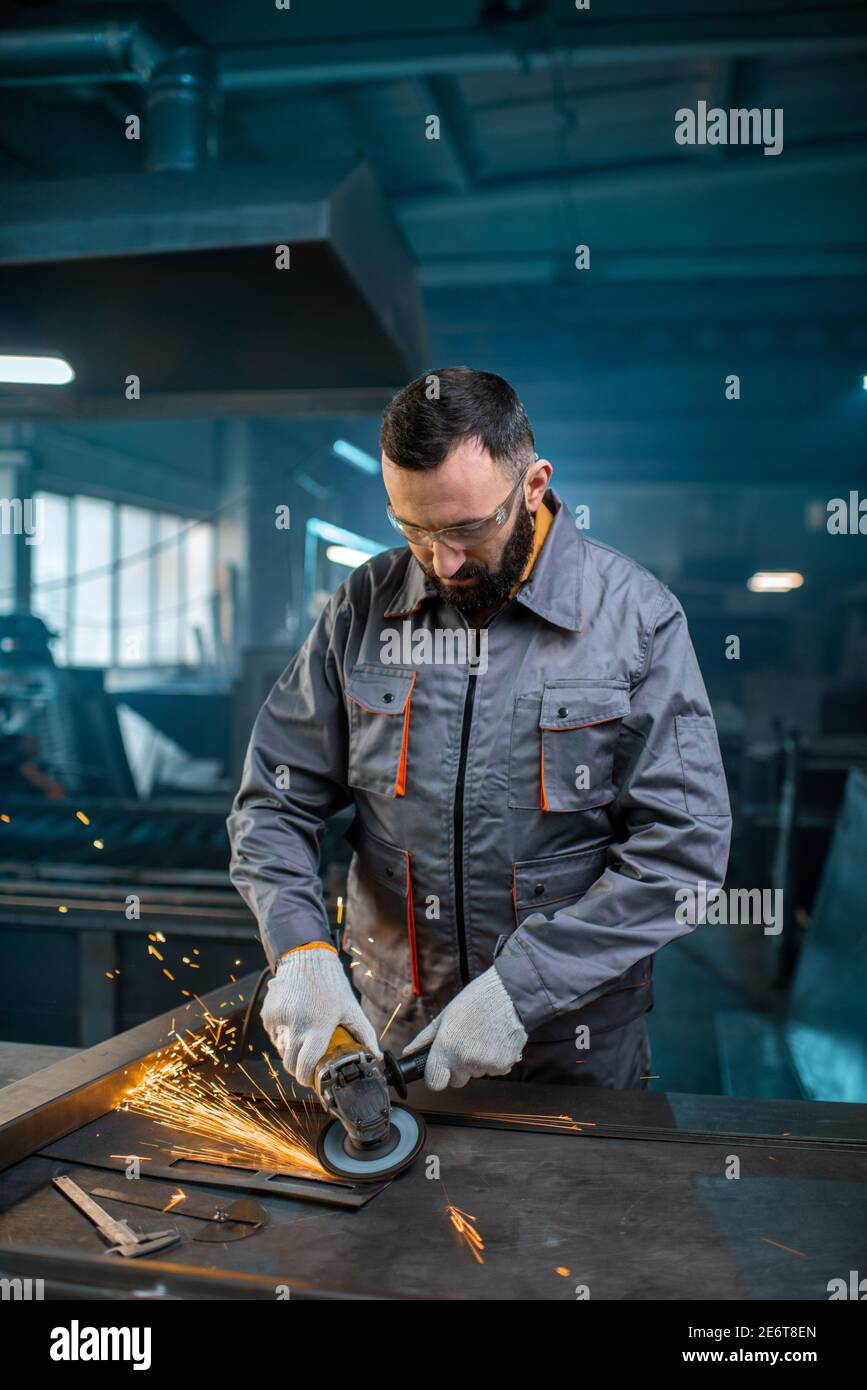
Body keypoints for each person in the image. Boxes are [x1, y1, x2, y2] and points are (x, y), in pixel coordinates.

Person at [228, 367, 731, 1093]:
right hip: (387, 1033)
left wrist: (522, 989)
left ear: (533, 485)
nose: (443, 561)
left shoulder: (636, 619)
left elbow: (682, 853)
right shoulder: (362, 607)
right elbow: (273, 801)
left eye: (467, 528)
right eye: (414, 530)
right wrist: (301, 951)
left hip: (569, 1044)